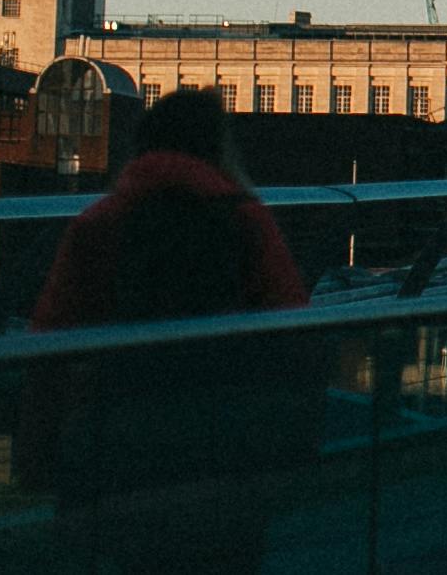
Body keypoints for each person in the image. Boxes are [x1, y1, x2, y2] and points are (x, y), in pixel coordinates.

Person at [27, 87, 314, 575]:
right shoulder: (245, 219)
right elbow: (294, 328)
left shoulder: (98, 223)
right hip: (225, 446)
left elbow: (50, 339)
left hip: (114, 444)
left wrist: (38, 458)